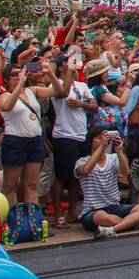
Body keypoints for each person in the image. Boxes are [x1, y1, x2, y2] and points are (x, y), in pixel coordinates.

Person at [0, 62, 58, 208]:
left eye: (20, 73)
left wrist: (50, 73)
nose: (18, 76)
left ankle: (31, 221)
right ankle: (6, 221)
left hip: (35, 141)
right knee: (10, 185)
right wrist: (20, 83)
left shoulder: (32, 91)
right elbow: (7, 106)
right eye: (14, 75)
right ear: (6, 79)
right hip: (15, 141)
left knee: (31, 184)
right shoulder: (5, 95)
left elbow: (58, 90)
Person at [73, 128, 139, 238]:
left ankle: (112, 229)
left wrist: (119, 150)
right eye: (99, 138)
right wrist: (101, 147)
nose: (102, 140)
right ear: (90, 142)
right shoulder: (82, 161)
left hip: (114, 207)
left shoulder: (112, 158)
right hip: (92, 211)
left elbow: (125, 172)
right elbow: (85, 170)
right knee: (103, 217)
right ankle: (133, 223)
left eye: (104, 138)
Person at [49, 56, 97, 228]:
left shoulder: (82, 86)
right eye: (68, 63)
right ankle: (56, 216)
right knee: (62, 177)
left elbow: (94, 106)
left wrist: (80, 104)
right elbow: (62, 93)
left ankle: (71, 212)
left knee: (78, 175)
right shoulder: (55, 85)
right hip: (64, 135)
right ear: (61, 67)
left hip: (81, 134)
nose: (74, 65)